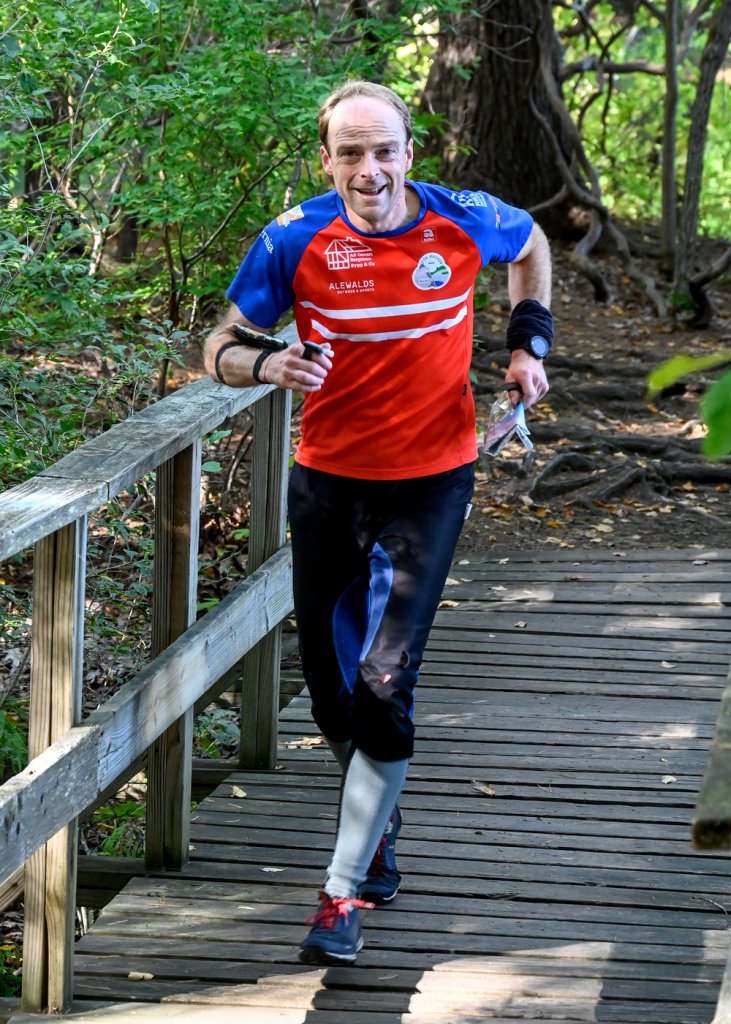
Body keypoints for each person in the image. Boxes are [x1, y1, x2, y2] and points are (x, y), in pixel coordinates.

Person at [203, 79, 552, 966]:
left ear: (408, 153)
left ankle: (341, 889)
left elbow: (532, 243)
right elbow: (218, 346)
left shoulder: (460, 220)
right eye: (350, 153)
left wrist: (526, 344)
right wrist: (265, 365)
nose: (369, 169)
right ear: (327, 160)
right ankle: (377, 809)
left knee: (386, 679)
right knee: (331, 690)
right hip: (327, 485)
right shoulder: (293, 238)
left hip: (431, 482)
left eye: (384, 150)